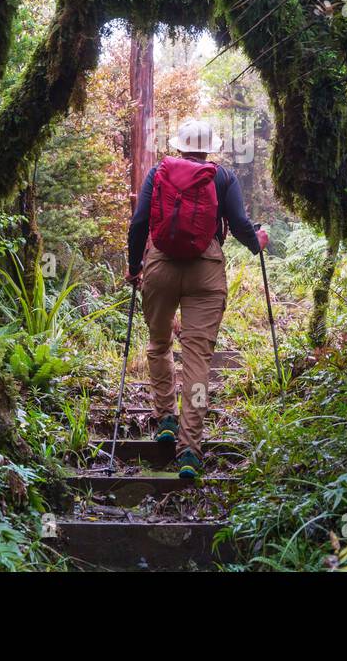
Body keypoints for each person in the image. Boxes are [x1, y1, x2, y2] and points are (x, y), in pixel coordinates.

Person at [125, 118, 268, 478]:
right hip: (206, 268)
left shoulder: (159, 172)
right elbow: (238, 224)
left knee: (159, 344)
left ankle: (165, 418)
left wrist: (133, 266)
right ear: (209, 148)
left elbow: (139, 222)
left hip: (159, 265)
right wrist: (257, 242)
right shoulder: (222, 177)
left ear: (179, 145)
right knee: (198, 357)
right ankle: (190, 449)